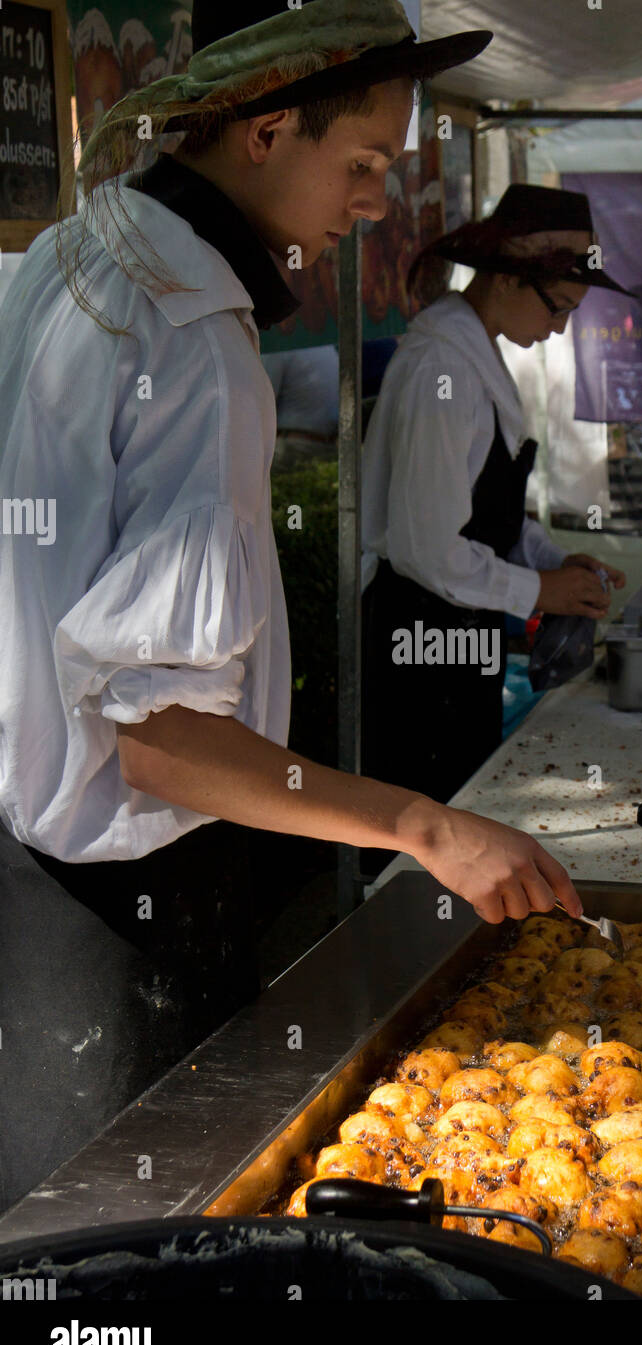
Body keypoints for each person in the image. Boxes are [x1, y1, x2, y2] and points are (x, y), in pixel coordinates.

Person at [0, 0, 584, 1216]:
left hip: (27, 876)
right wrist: (426, 828)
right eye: (361, 162)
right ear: (264, 134)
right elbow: (161, 743)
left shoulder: (68, 255)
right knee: (127, 1245)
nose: (375, 200)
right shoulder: (195, 347)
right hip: (117, 916)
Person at [361, 184, 629, 812]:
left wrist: (553, 563)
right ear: (508, 279)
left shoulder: (476, 356)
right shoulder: (441, 374)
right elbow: (426, 549)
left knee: (465, 809)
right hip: (417, 643)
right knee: (426, 826)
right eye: (557, 307)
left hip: (460, 635)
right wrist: (538, 591)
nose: (560, 328)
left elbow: (488, 515)